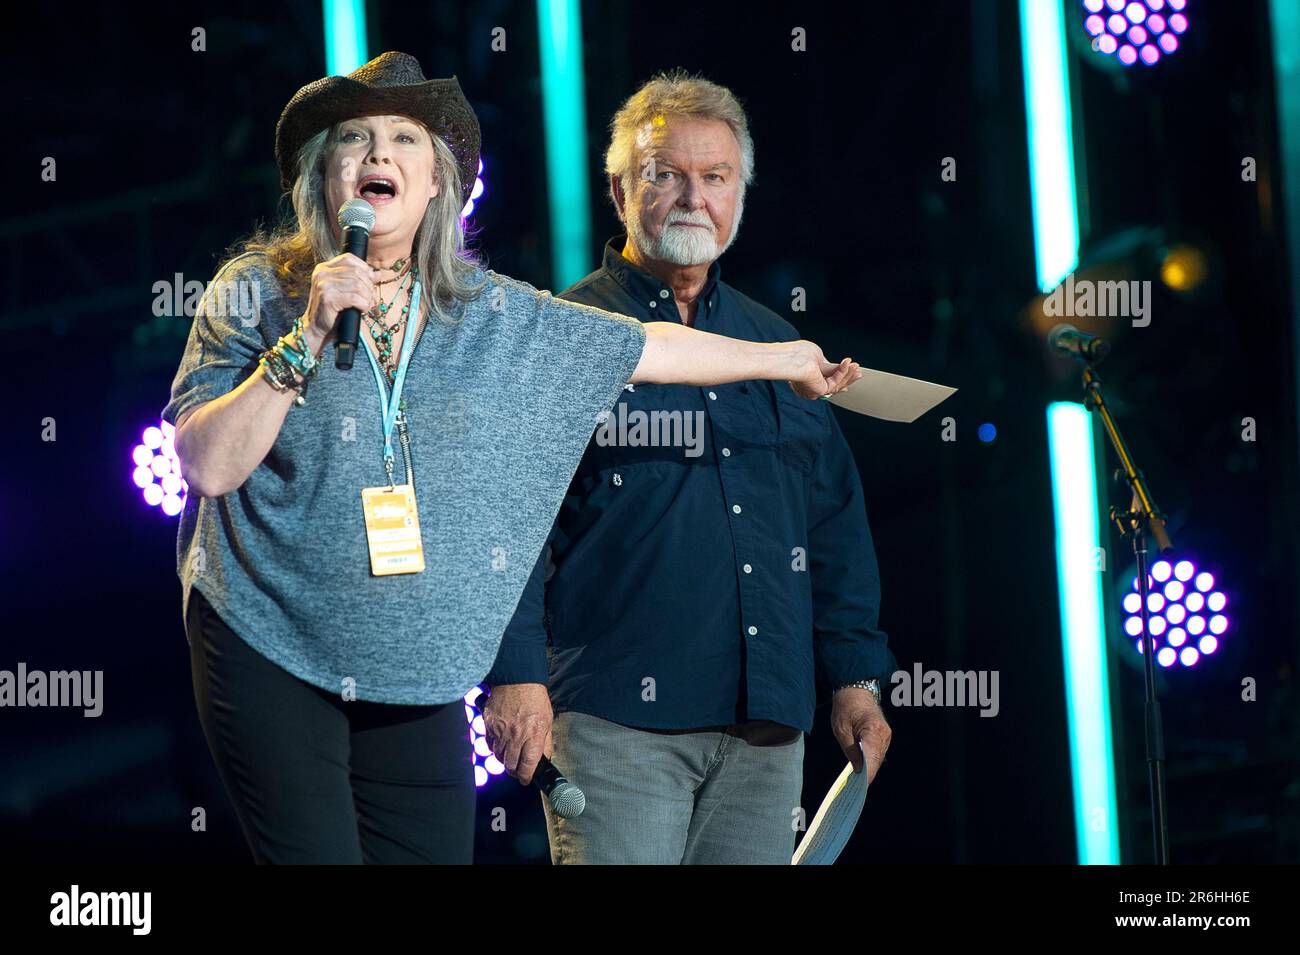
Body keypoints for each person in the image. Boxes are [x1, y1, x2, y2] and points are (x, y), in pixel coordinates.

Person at [163, 52, 861, 864]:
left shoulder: (484, 312)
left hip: (414, 664)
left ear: (436, 185)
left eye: (404, 140)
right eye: (354, 137)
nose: (378, 154)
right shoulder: (255, 290)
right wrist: (307, 338)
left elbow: (649, 348)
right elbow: (207, 465)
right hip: (270, 636)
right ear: (324, 173)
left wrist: (784, 359)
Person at [483, 71, 897, 864]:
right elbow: (507, 519)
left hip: (767, 724)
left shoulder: (783, 350)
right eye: (664, 174)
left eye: (715, 178)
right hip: (615, 721)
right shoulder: (567, 333)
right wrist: (516, 674)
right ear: (618, 189)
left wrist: (855, 679)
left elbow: (833, 525)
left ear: (740, 193)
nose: (691, 197)